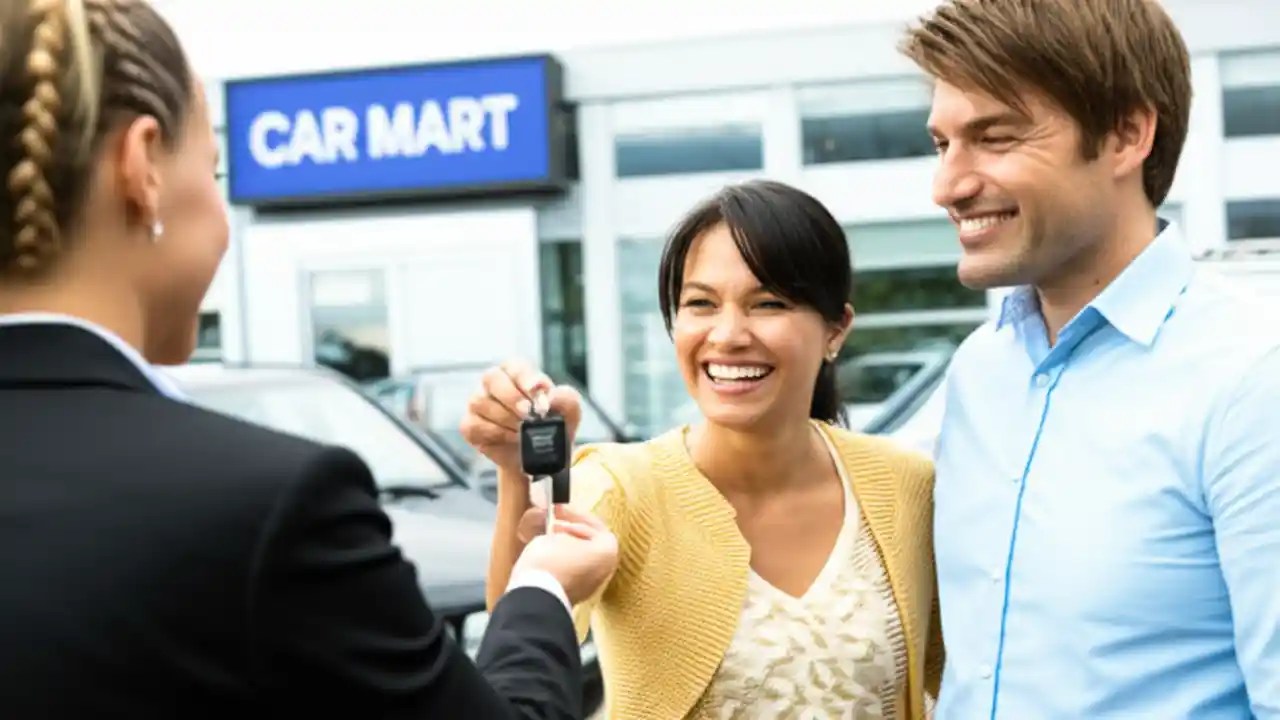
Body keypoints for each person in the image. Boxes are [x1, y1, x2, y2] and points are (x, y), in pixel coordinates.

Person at [0, 1, 617, 718]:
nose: (224, 222)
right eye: (216, 171)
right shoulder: (264, 505)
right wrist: (540, 588)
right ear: (142, 169)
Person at [900, 0, 1280, 717]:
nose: (947, 185)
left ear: (1126, 135)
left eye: (995, 136)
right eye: (941, 143)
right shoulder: (981, 371)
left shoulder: (1253, 382)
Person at [462, 180, 944, 719]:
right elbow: (521, 633)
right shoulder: (623, 484)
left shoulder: (906, 484)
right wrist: (516, 474)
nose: (729, 334)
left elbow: (970, 669)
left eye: (768, 303)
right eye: (700, 304)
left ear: (837, 329)